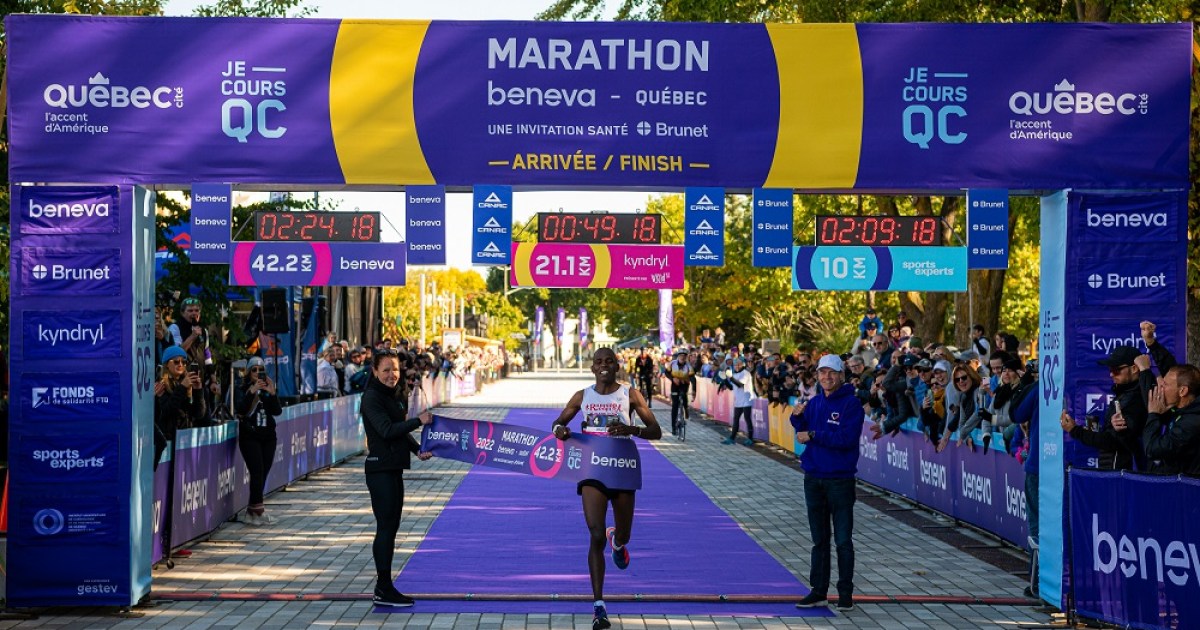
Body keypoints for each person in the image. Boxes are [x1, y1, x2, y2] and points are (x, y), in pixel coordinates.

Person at [549, 347, 663, 630]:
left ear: (617, 366)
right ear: (592, 368)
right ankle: (598, 605)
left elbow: (656, 430)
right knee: (595, 533)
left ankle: (619, 542)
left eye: (609, 361)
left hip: (622, 467)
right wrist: (560, 432)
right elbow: (557, 423)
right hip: (592, 468)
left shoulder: (630, 394)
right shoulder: (582, 396)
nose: (604, 366)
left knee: (623, 533)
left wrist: (631, 430)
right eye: (598, 361)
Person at [361, 350, 435, 607]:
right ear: (374, 371)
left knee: (391, 527)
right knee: (385, 528)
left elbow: (400, 432)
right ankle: (382, 587)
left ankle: (386, 586)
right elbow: (386, 430)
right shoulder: (371, 398)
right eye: (385, 370)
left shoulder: (396, 394)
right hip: (379, 470)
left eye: (394, 369)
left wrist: (417, 450)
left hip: (394, 467)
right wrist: (418, 421)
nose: (392, 375)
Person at [790, 354, 864, 612]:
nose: (826, 377)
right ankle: (818, 591)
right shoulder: (815, 402)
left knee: (843, 540)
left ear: (841, 375)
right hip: (814, 478)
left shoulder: (852, 404)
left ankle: (846, 594)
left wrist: (813, 434)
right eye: (822, 373)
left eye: (831, 372)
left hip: (840, 481)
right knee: (819, 540)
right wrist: (797, 417)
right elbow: (802, 430)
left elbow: (846, 438)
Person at [1060, 345, 1153, 471]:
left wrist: (1075, 430)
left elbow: (1113, 442)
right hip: (1117, 470)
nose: (1111, 374)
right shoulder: (1126, 394)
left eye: (1116, 370)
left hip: (1123, 473)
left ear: (1135, 368)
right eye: (1110, 369)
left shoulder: (1135, 399)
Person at [235, 356, 282, 525]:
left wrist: (272, 393)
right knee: (257, 471)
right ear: (248, 372)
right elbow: (240, 410)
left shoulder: (268, 387)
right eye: (254, 369)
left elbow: (277, 411)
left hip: (268, 436)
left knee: (264, 472)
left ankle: (253, 510)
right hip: (250, 436)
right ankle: (257, 511)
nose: (257, 373)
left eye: (260, 370)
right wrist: (252, 391)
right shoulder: (242, 388)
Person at [724, 357, 755, 445]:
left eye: (739, 364)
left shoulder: (746, 373)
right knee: (736, 419)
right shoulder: (735, 374)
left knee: (747, 418)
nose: (737, 366)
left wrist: (731, 378)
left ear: (743, 365)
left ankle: (750, 439)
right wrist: (725, 380)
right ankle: (732, 438)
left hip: (747, 399)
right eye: (735, 364)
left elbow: (740, 384)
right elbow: (731, 387)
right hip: (738, 400)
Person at [666, 349, 693, 437]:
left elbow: (693, 378)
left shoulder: (688, 365)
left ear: (686, 357)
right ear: (678, 356)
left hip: (684, 384)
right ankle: (673, 427)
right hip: (675, 385)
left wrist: (694, 389)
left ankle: (685, 409)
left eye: (684, 356)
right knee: (675, 405)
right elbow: (666, 373)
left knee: (684, 396)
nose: (682, 357)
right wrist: (673, 378)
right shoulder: (672, 363)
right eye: (681, 355)